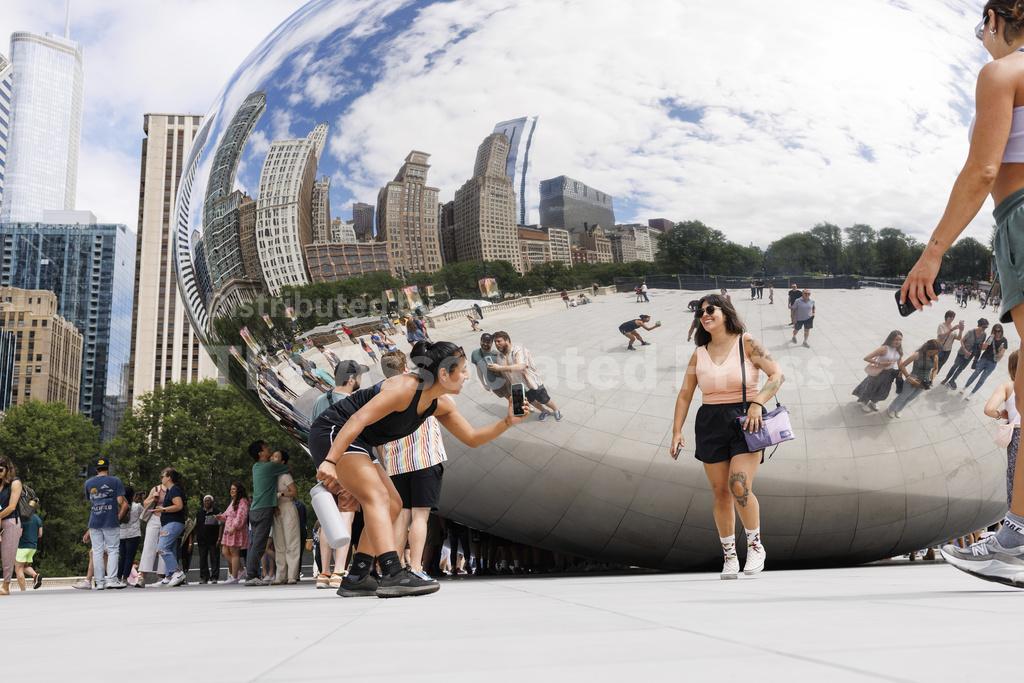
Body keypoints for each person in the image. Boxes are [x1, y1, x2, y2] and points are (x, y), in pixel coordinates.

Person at [900, 2, 1024, 585]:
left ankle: (1019, 537)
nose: (981, 38)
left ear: (998, 19)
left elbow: (981, 170)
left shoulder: (1003, 73)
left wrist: (933, 251)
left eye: (982, 27)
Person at [309, 340, 530, 598]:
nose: (467, 376)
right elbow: (357, 419)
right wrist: (330, 461)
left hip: (360, 441)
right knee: (377, 497)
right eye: (462, 370)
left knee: (392, 504)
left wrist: (507, 421)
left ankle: (357, 576)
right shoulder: (403, 388)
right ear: (444, 374)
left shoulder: (440, 403)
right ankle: (393, 573)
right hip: (334, 432)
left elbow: (471, 438)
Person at [669, 294, 784, 579]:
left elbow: (777, 375)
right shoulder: (699, 353)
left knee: (738, 484)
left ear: (725, 312)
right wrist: (676, 431)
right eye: (700, 311)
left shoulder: (747, 342)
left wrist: (757, 403)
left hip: (746, 418)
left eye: (711, 309)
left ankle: (755, 544)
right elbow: (685, 394)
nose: (705, 315)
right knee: (720, 492)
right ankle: (730, 555)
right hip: (710, 421)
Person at [379, 350, 447, 582]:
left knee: (401, 517)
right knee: (420, 517)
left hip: (396, 463)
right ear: (404, 367)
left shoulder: (379, 393)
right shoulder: (419, 388)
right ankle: (416, 567)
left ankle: (394, 571)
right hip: (424, 458)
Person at [490, 331, 563, 421]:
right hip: (517, 385)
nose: (497, 344)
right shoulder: (500, 356)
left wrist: (499, 368)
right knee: (531, 401)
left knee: (544, 399)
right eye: (495, 342)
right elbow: (504, 372)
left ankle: (556, 410)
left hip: (531, 381)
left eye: (499, 341)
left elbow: (521, 366)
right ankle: (544, 411)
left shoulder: (519, 350)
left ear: (507, 340)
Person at [245, 441, 290, 586]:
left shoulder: (255, 466)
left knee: (254, 544)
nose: (269, 449)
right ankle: (251, 576)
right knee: (259, 544)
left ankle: (253, 574)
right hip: (264, 509)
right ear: (260, 453)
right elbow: (287, 467)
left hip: (255, 509)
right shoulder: (269, 467)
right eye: (266, 448)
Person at [84, 456, 128, 590]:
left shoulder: (88, 483)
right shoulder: (115, 481)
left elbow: (90, 501)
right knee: (113, 549)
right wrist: (118, 515)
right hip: (110, 520)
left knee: (97, 551)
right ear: (107, 468)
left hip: (94, 520)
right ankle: (112, 579)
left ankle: (100, 582)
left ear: (96, 469)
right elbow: (121, 502)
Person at [984, 350, 1021, 506]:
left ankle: (1015, 517)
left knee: (1015, 476)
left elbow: (988, 409)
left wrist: (1003, 414)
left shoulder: (1008, 386)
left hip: (1017, 435)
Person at [886, 340, 941, 419]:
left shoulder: (935, 356)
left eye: (936, 352)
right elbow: (902, 365)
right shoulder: (917, 355)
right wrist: (908, 376)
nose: (934, 354)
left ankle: (899, 409)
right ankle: (891, 408)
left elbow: (935, 368)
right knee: (903, 396)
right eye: (932, 352)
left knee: (911, 397)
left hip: (924, 382)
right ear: (927, 348)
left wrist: (932, 378)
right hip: (913, 379)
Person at [852, 331, 903, 412]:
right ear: (891, 339)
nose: (898, 342)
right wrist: (881, 363)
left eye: (900, 340)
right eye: (896, 339)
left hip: (889, 373)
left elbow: (899, 361)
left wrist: (902, 370)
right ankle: (864, 402)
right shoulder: (884, 348)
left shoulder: (899, 350)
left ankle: (874, 401)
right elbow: (866, 358)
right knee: (870, 387)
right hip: (879, 372)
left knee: (883, 389)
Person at [153, 467, 188, 587]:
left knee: (162, 548)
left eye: (163, 476)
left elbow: (179, 506)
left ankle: (177, 573)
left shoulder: (174, 490)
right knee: (171, 549)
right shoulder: (170, 490)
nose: (161, 478)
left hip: (173, 523)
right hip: (169, 523)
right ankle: (169, 576)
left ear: (169, 478)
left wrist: (163, 509)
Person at [270, 450, 301, 584]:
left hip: (288, 508)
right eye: (272, 456)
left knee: (291, 542)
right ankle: (280, 575)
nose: (272, 458)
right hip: (277, 511)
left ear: (282, 462)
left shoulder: (285, 476)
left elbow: (294, 492)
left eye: (276, 456)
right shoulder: (271, 477)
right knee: (279, 544)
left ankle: (292, 575)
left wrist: (280, 494)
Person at [961, 323, 1009, 398]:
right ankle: (965, 387)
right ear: (993, 331)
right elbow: (983, 348)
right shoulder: (991, 337)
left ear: (1001, 331)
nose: (997, 333)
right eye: (995, 331)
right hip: (984, 359)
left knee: (982, 379)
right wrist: (990, 339)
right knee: (975, 373)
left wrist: (1000, 350)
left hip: (992, 363)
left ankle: (972, 394)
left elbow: (1001, 354)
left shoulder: (1004, 341)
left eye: (999, 331)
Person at [940, 318, 989, 389]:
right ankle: (946, 378)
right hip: (962, 353)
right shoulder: (970, 332)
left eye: (986, 327)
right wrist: (965, 350)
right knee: (955, 366)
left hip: (971, 355)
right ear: (979, 325)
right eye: (983, 327)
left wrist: (982, 348)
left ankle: (952, 380)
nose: (985, 328)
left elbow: (980, 345)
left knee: (961, 368)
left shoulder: (984, 335)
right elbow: (962, 341)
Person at [0, 456, 23, 596]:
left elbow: (12, 507)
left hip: (10, 521)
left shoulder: (15, 483)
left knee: (8, 554)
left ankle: (6, 585)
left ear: (8, 469)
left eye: (1, 470)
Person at [217, 482, 249, 583]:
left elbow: (241, 516)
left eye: (234, 489)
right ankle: (241, 570)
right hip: (228, 530)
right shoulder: (233, 501)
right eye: (231, 489)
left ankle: (234, 577)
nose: (231, 491)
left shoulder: (243, 501)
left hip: (235, 530)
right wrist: (220, 517)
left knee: (235, 553)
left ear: (239, 490)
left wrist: (234, 527)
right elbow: (227, 514)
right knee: (225, 552)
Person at [137, 482, 166, 586]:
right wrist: (154, 499)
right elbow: (145, 503)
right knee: (149, 546)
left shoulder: (174, 489)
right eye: (162, 477)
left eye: (165, 476)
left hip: (167, 519)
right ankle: (142, 577)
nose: (163, 479)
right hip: (154, 518)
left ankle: (161, 576)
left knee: (164, 547)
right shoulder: (156, 488)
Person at [471, 333, 509, 399]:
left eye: (488, 342)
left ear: (492, 343)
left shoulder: (497, 354)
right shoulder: (475, 354)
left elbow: (507, 368)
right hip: (493, 385)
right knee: (508, 398)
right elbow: (479, 369)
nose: (485, 344)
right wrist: (483, 384)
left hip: (505, 382)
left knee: (512, 399)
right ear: (480, 341)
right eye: (483, 341)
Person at [117, 487, 143, 582]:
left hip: (121, 534)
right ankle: (125, 578)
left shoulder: (119, 507)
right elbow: (143, 514)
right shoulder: (137, 506)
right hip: (134, 534)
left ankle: (118, 577)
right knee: (129, 557)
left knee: (122, 556)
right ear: (133, 495)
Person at [15, 501, 42, 590]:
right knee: (25, 566)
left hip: (23, 546)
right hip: (33, 547)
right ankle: (35, 575)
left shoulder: (23, 518)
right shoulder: (38, 519)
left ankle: (23, 591)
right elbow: (40, 534)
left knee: (18, 568)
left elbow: (19, 533)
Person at [196, 495, 222, 584]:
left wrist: (219, 538)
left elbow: (220, 525)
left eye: (209, 500)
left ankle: (214, 577)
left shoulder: (217, 512)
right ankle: (204, 577)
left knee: (214, 559)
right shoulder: (199, 512)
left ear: (212, 502)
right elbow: (197, 525)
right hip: (202, 540)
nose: (207, 502)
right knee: (202, 559)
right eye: (205, 501)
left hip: (213, 540)